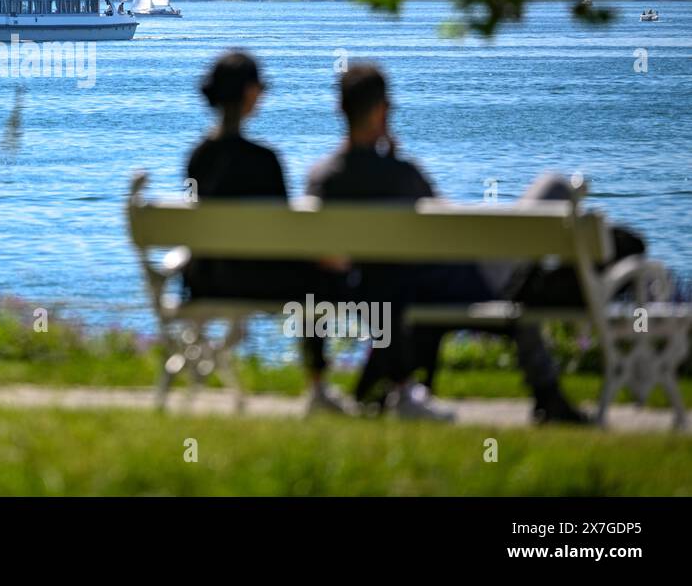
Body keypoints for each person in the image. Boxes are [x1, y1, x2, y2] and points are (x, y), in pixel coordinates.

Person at [306, 63, 587, 423]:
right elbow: (451, 223)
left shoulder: (322, 179)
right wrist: (392, 157)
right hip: (469, 281)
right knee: (555, 188)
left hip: (388, 287)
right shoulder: (402, 175)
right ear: (382, 111)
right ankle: (550, 395)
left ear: (340, 110)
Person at [185, 51, 352, 415]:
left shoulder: (198, 157)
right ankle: (318, 387)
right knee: (324, 281)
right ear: (248, 93)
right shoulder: (264, 160)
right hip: (264, 282)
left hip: (212, 279)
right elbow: (284, 239)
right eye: (260, 88)